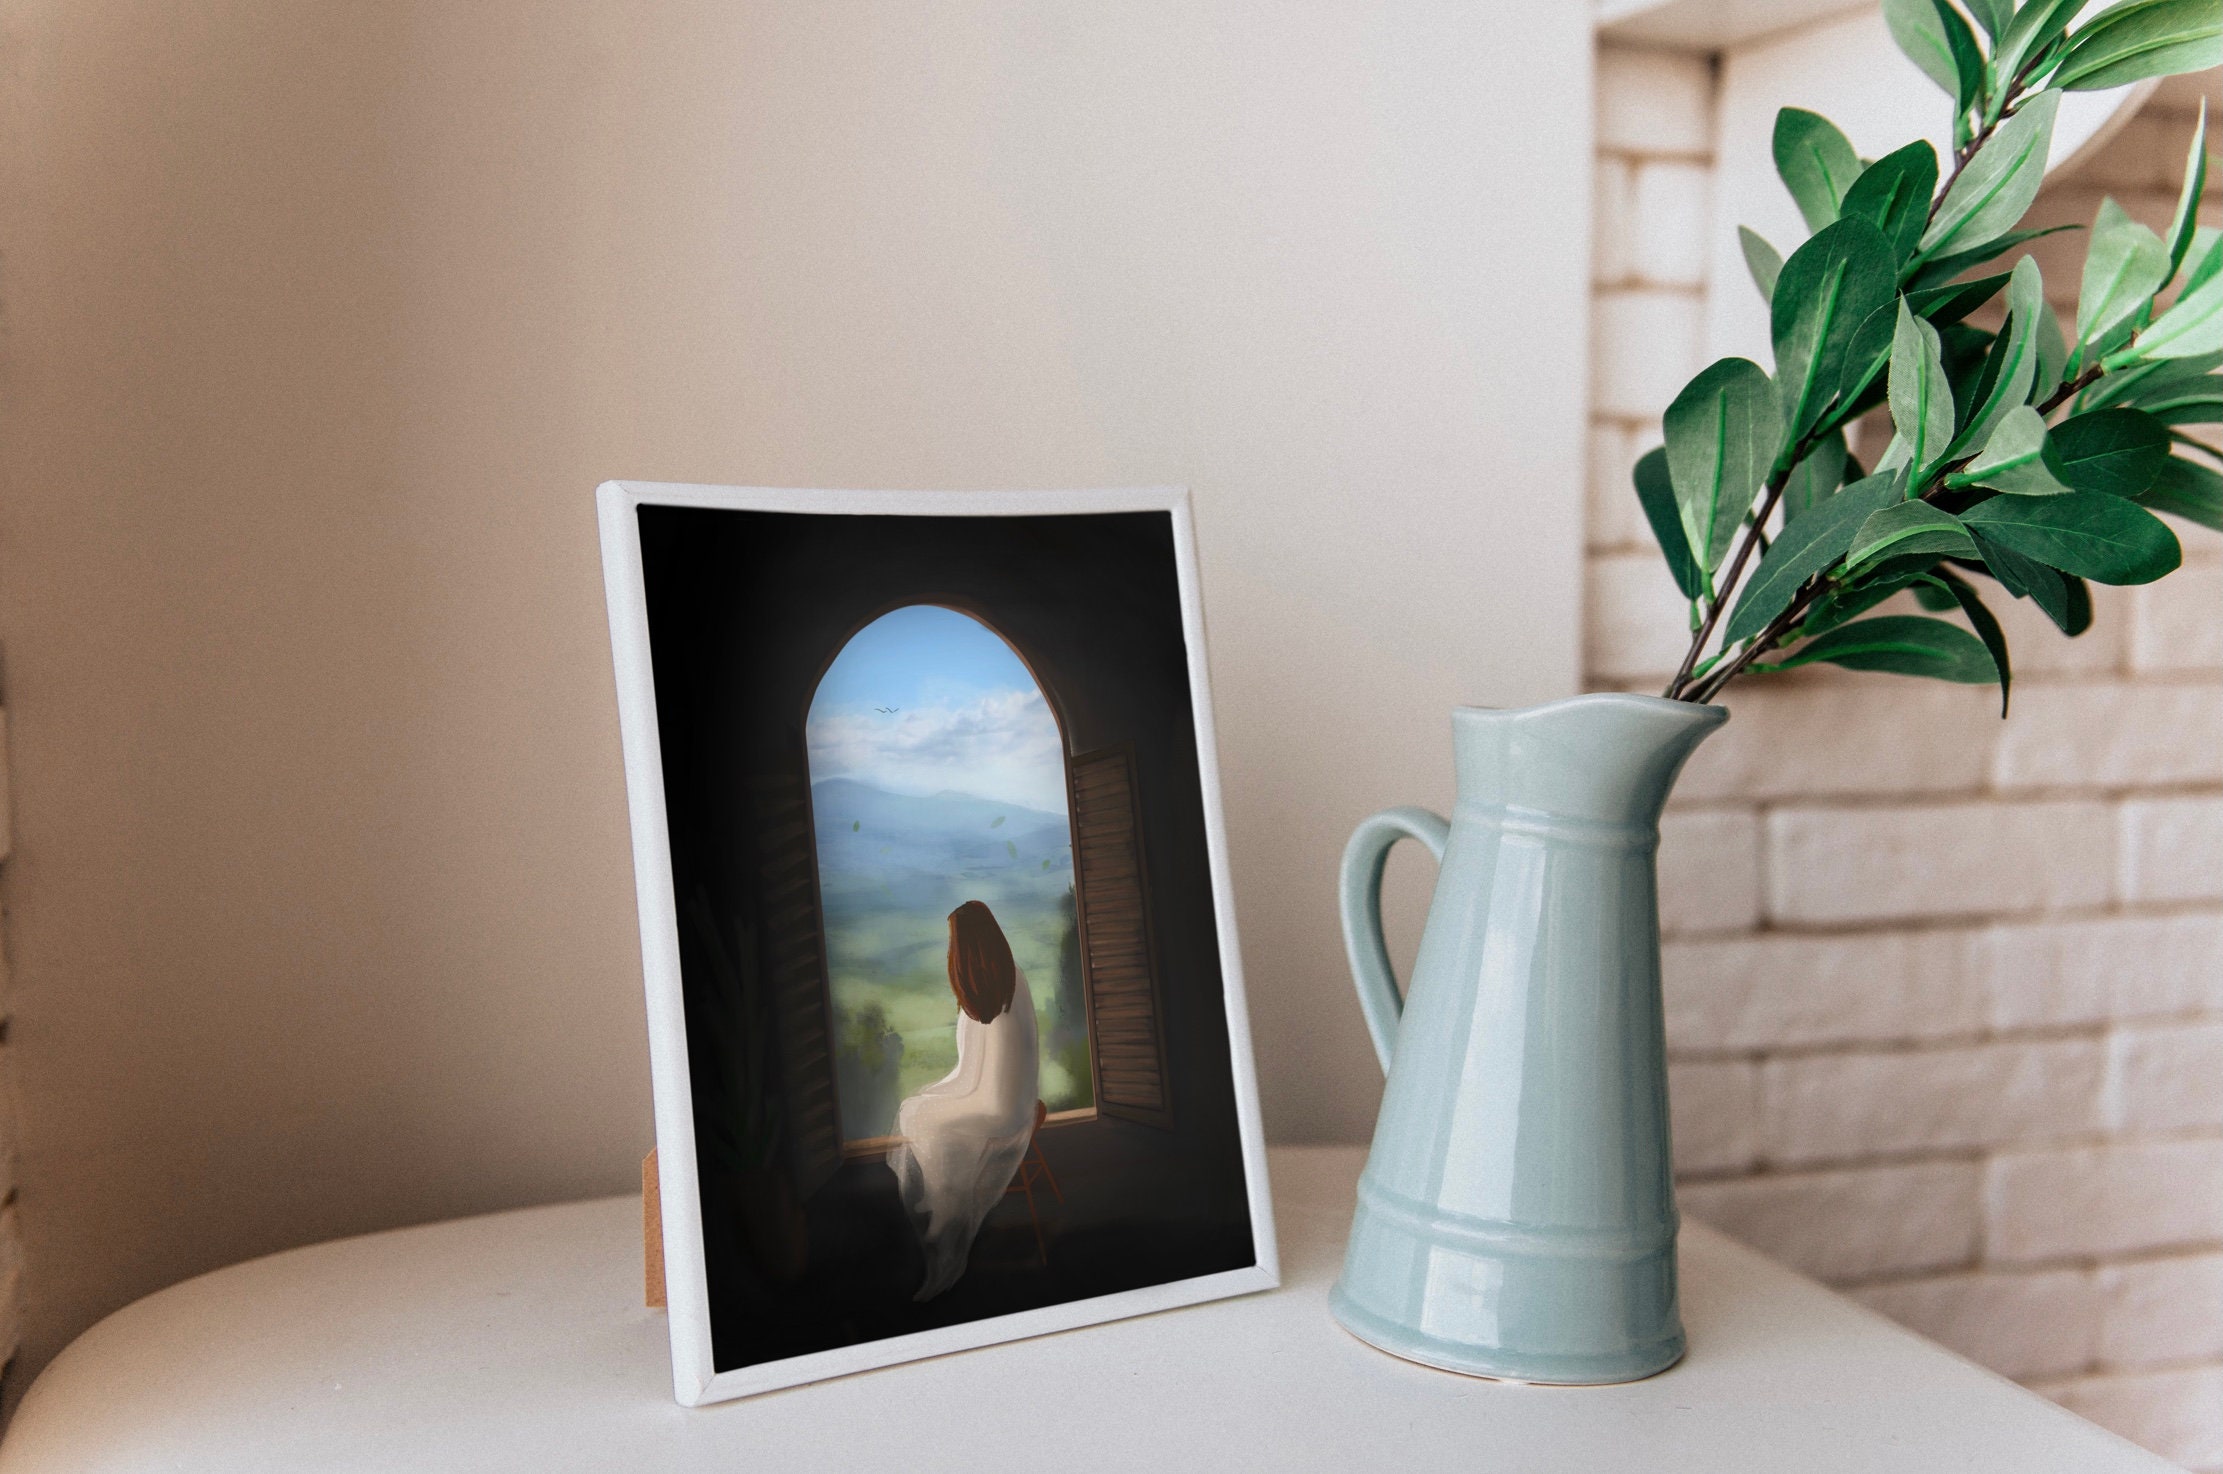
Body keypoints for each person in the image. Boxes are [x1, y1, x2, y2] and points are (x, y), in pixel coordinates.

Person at [886, 899, 1040, 1300]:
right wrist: (938, 1092)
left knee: (930, 1120)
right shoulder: (997, 986)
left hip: (1004, 1106)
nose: (949, 951)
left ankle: (948, 1218)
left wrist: (945, 1098)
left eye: (953, 942)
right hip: (999, 1099)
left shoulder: (1006, 987)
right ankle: (945, 1208)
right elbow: (968, 1071)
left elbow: (992, 1083)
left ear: (970, 945)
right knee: (915, 1108)